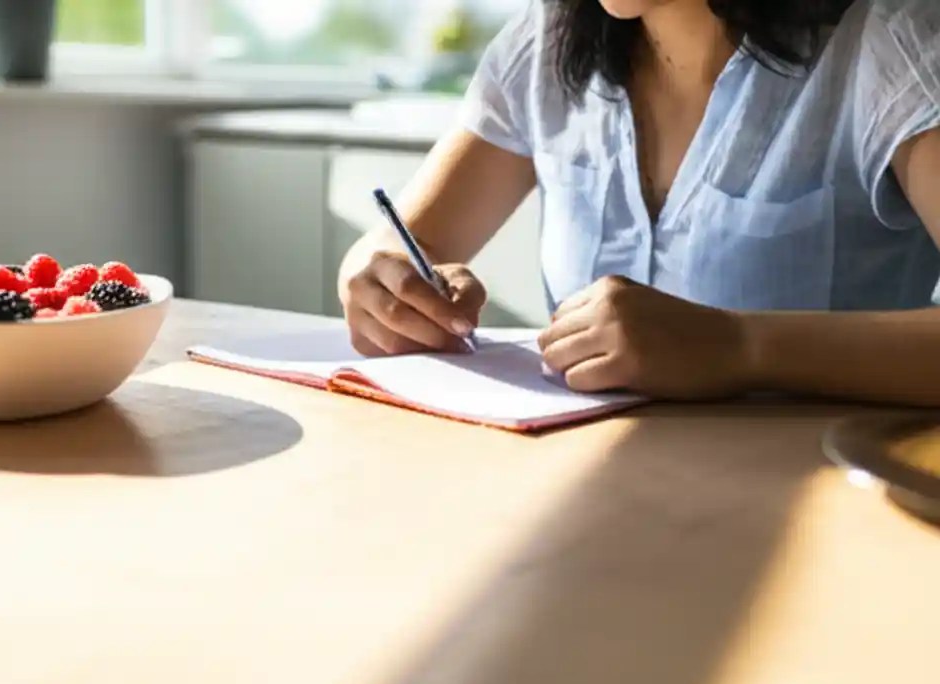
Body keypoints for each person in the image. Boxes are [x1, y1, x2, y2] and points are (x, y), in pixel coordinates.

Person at [338, 0, 940, 405]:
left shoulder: (893, 46)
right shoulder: (545, 46)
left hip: (813, 516)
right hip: (593, 496)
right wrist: (383, 284)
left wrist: (740, 345)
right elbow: (402, 246)